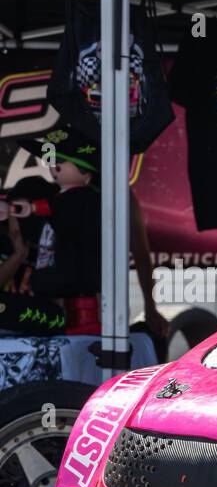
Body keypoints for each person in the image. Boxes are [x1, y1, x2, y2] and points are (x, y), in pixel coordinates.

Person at [1, 126, 167, 342]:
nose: (53, 166)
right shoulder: (47, 194)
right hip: (59, 307)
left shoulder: (116, 197)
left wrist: (150, 308)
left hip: (94, 305)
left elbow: (140, 254)